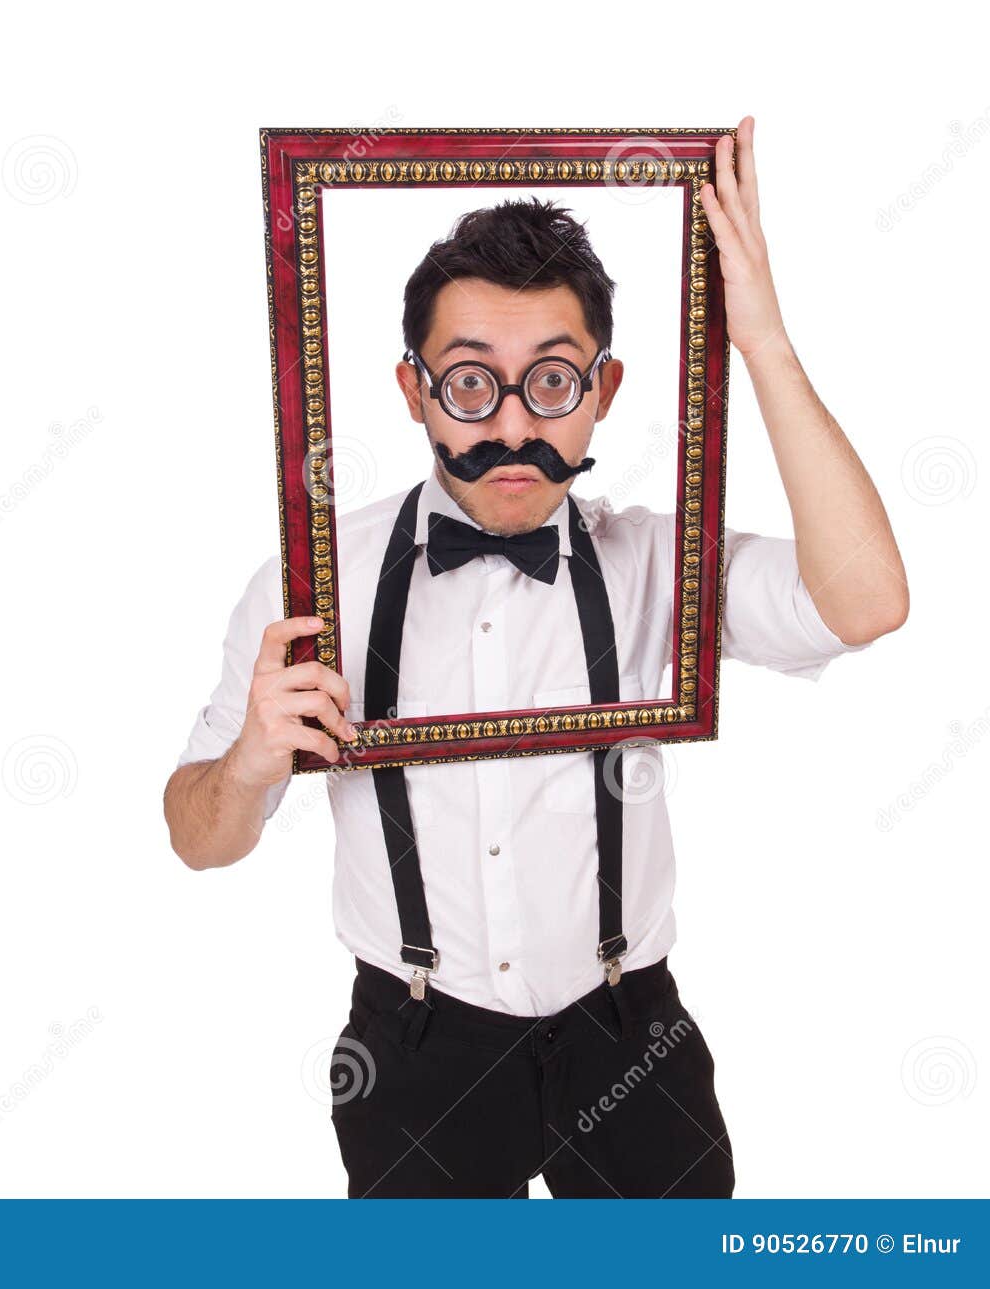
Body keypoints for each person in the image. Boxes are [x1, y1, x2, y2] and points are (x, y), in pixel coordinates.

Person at [163, 119, 908, 1198]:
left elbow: (869, 601)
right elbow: (197, 838)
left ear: (603, 390)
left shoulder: (659, 559)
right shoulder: (312, 578)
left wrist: (762, 344)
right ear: (414, 389)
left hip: (631, 1030)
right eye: (470, 383)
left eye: (550, 382)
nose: (511, 425)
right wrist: (247, 765)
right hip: (412, 1048)